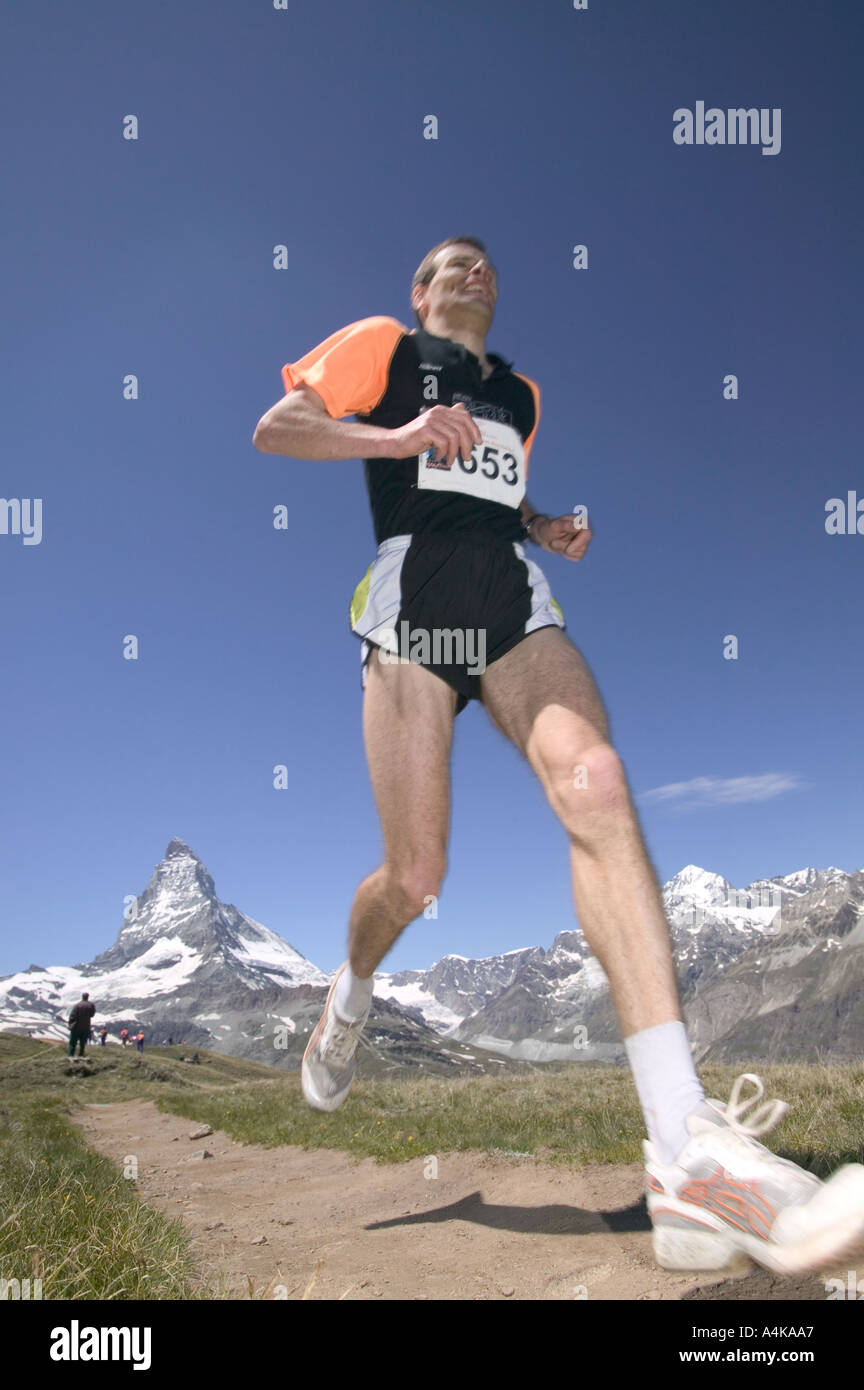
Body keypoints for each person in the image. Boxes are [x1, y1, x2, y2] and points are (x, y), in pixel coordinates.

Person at [253, 237, 864, 1277]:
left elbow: (487, 494)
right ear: (421, 289)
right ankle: (349, 996)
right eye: (453, 263)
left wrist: (543, 523)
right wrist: (396, 437)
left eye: (487, 264)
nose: (474, 274)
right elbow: (281, 429)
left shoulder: (522, 396)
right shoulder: (383, 344)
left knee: (598, 780)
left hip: (506, 594)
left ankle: (686, 1147)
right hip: (411, 600)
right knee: (416, 875)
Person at [67, 993, 96, 1058]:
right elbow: (92, 1015)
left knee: (73, 1043)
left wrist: (70, 1024)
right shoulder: (91, 1005)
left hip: (76, 1027)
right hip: (86, 1027)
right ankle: (81, 1055)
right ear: (88, 997)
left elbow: (72, 1015)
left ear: (82, 997)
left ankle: (71, 1055)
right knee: (82, 1043)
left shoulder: (77, 1005)